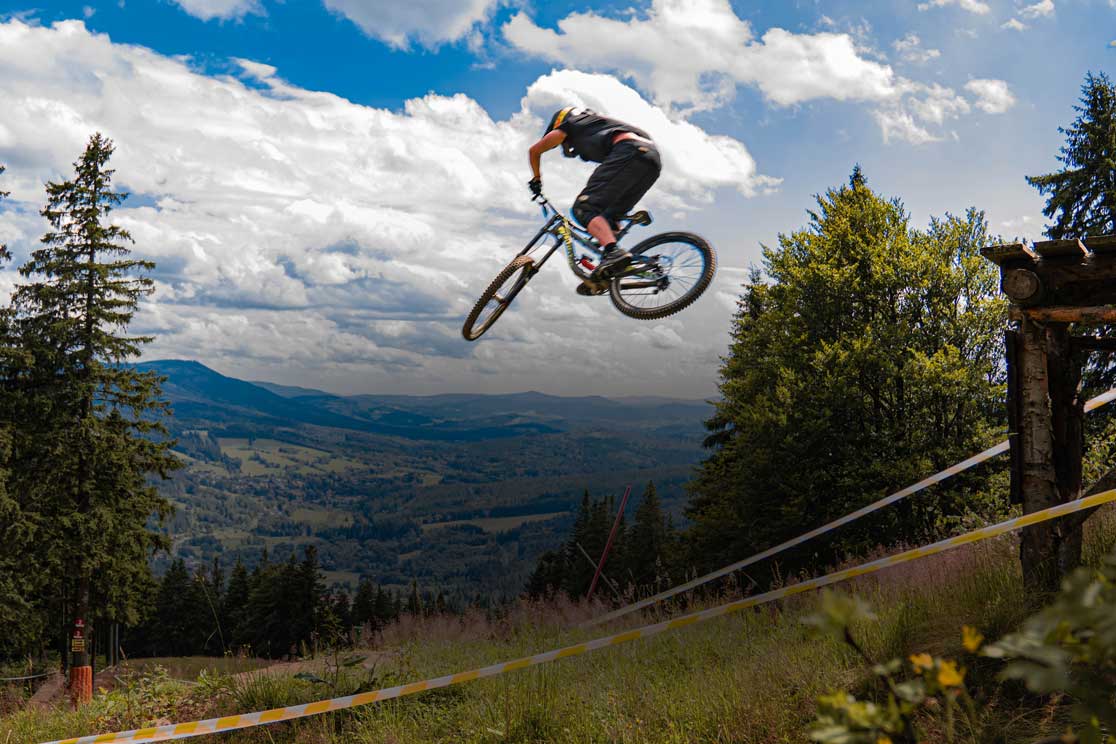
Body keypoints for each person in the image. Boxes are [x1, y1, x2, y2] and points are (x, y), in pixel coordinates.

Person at [527, 107, 661, 286]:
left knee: (584, 208)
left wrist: (536, 179)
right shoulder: (596, 126)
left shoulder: (570, 125)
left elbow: (534, 151)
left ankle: (613, 253)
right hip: (652, 161)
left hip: (629, 151)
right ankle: (611, 268)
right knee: (607, 217)